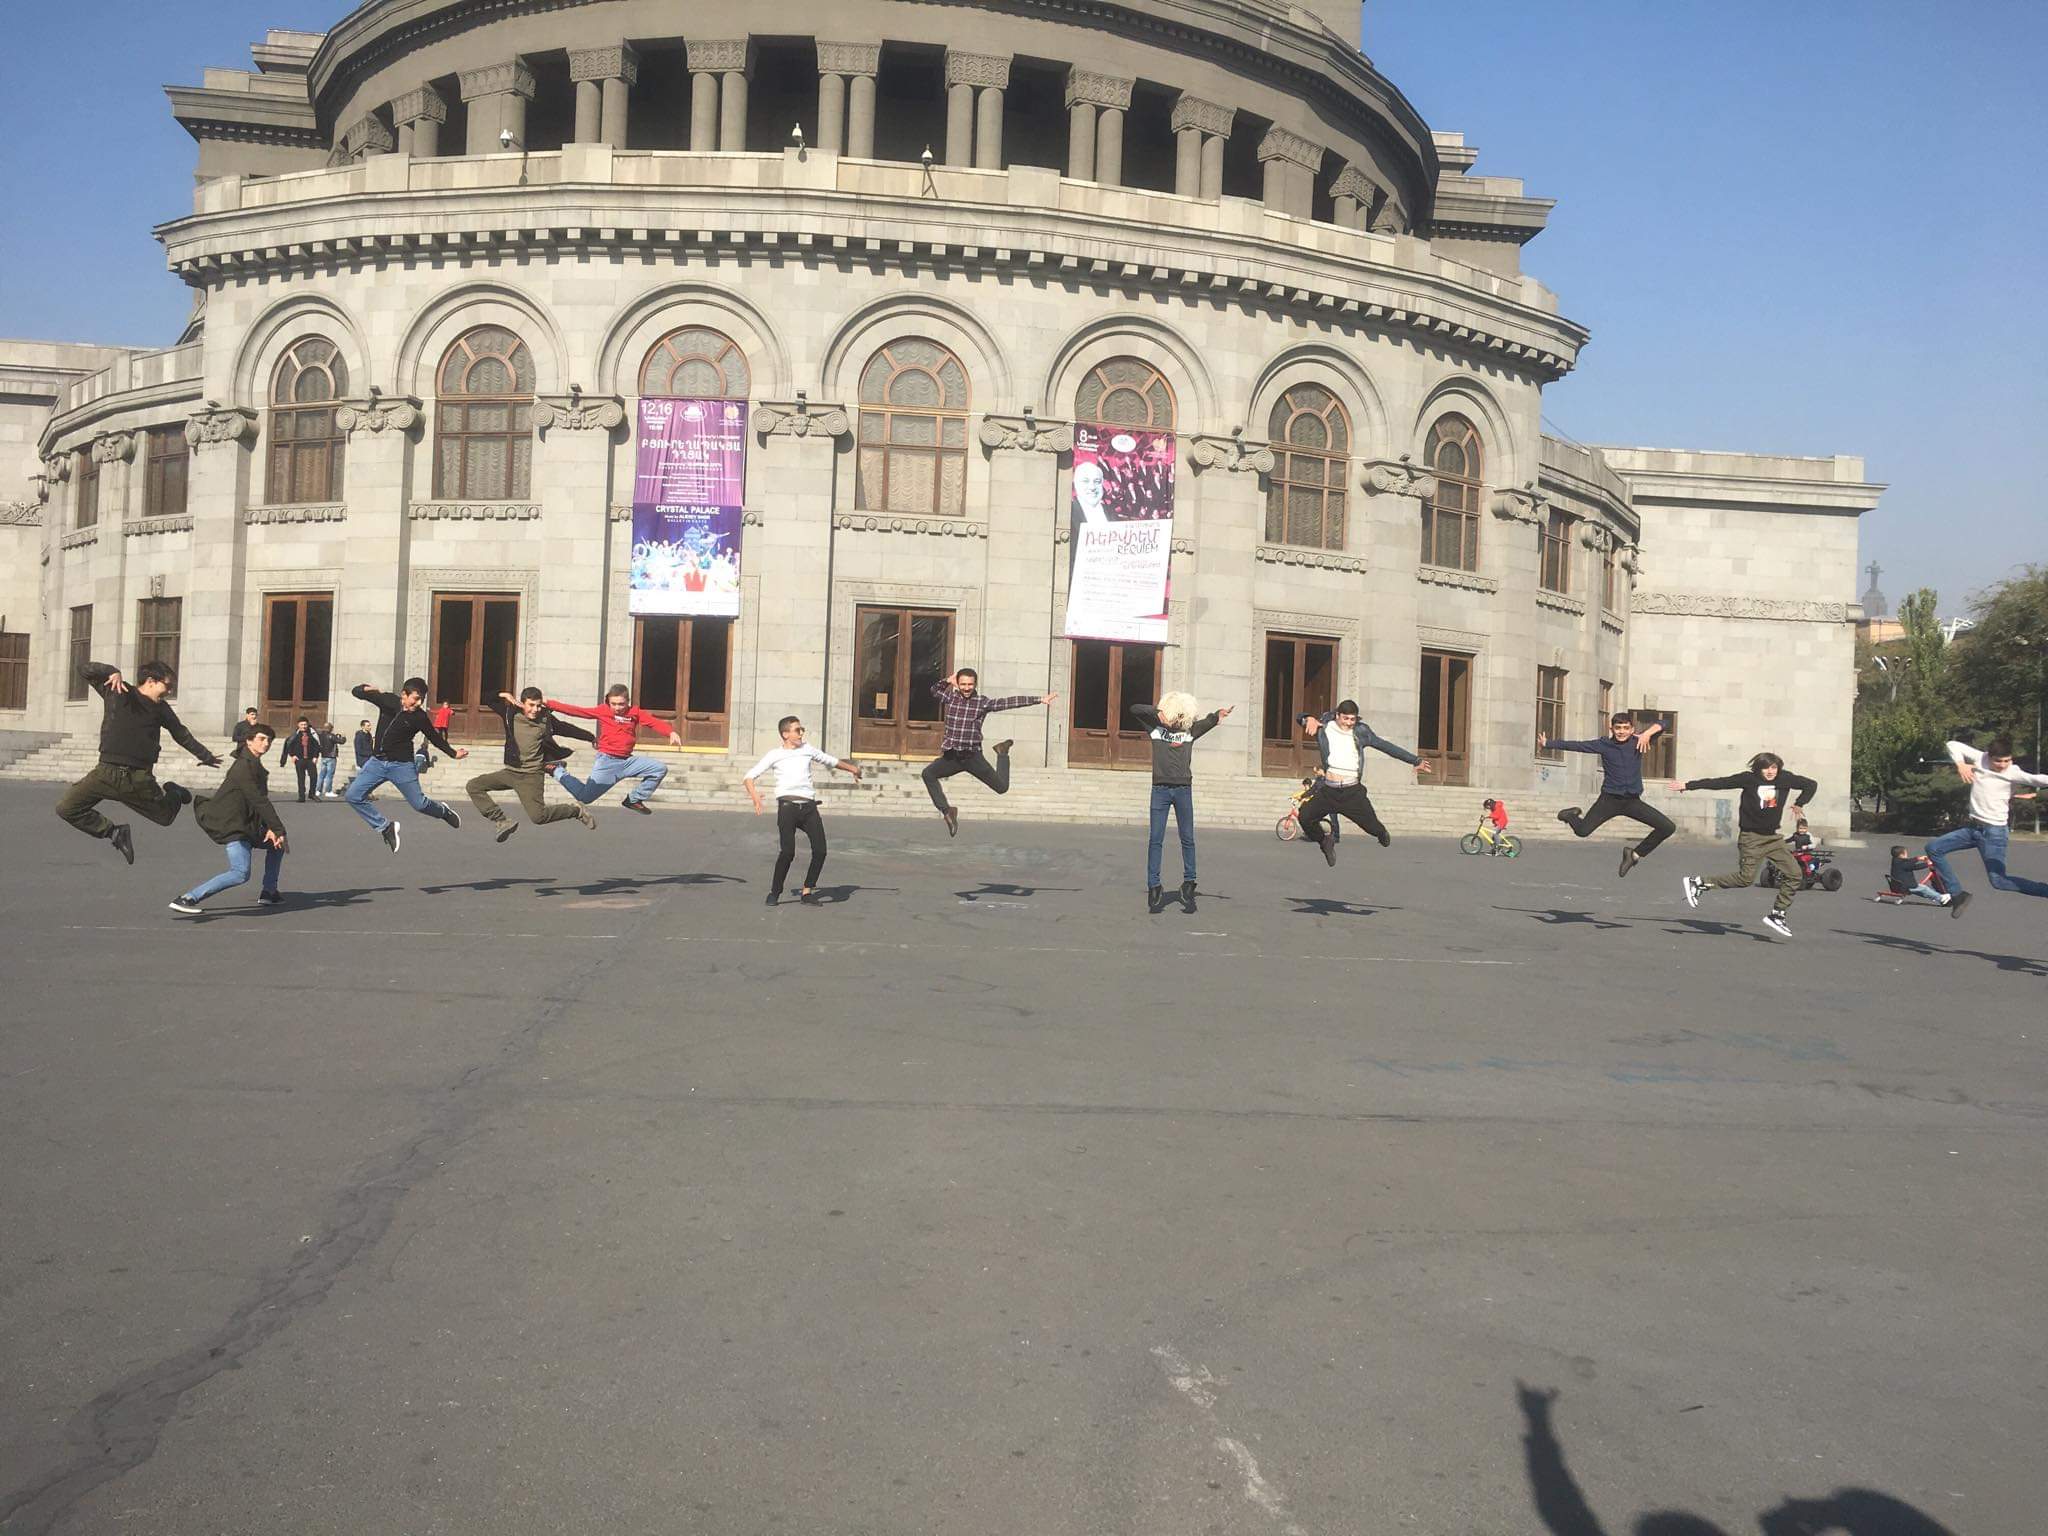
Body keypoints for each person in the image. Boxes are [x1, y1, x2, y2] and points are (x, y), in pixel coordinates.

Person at [55, 659, 221, 865]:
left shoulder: (162, 709)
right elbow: (82, 668)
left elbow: (181, 734)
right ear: (151, 681)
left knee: (165, 817)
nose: (169, 692)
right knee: (66, 808)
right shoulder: (118, 691)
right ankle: (115, 833)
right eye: (167, 686)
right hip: (105, 772)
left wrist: (205, 756)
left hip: (138, 778)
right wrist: (111, 671)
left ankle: (175, 793)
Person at [1677, 752, 1818, 938]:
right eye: (1766, 768)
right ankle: (1699, 883)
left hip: (1773, 838)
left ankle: (1777, 914)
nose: (1770, 772)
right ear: (1758, 768)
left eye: (1774, 768)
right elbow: (1719, 783)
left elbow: (1811, 785)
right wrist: (1688, 786)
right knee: (1745, 879)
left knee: (1795, 874)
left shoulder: (1785, 778)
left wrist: (1800, 803)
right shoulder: (1748, 779)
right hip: (1751, 838)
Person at [921, 668, 1057, 836]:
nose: (966, 688)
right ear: (958, 683)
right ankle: (948, 812)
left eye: (970, 684)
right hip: (952, 756)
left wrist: (1039, 699)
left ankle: (1002, 751)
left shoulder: (982, 702)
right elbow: (934, 690)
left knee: (1001, 787)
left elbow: (1009, 702)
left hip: (973, 757)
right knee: (928, 774)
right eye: (963, 684)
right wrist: (947, 681)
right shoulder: (951, 697)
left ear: (975, 684)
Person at [1127, 693, 1230, 913]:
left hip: (1183, 790)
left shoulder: (1189, 732)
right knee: (1156, 839)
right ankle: (1154, 885)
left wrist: (1218, 715)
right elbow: (1134, 708)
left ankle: (1189, 883)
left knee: (1188, 838)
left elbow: (1209, 722)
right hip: (1160, 790)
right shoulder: (1154, 729)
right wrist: (1159, 713)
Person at [170, 721, 287, 914]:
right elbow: (259, 801)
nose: (266, 743)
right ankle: (188, 898)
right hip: (231, 825)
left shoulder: (254, 765)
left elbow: (257, 803)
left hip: (246, 824)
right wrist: (278, 829)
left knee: (277, 845)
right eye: (261, 739)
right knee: (240, 873)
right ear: (249, 741)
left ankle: (269, 892)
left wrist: (270, 829)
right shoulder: (243, 767)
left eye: (269, 740)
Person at [744, 715, 863, 905]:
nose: (801, 733)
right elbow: (749, 777)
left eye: (801, 729)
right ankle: (775, 892)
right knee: (787, 852)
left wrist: (852, 769)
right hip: (788, 808)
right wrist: (755, 796)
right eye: (797, 730)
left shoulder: (807, 749)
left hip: (808, 808)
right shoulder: (774, 755)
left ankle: (807, 891)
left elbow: (830, 760)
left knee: (820, 850)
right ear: (785, 734)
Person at [1539, 713, 1676, 877]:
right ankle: (1569, 815)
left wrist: (1647, 733)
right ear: (1611, 729)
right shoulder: (1604, 745)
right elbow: (1577, 745)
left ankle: (1633, 855)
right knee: (1582, 831)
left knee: (1668, 827)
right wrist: (1548, 743)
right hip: (1609, 800)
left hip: (1632, 802)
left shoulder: (1639, 741)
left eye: (1626, 728)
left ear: (1632, 729)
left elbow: (1665, 722)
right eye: (1618, 728)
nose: (1622, 732)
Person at [1924, 736, 2048, 918]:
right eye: (1998, 761)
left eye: (2007, 760)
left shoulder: (2014, 772)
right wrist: (1960, 764)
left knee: (1998, 881)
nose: (2003, 765)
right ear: (1989, 756)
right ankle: (1958, 895)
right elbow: (1952, 745)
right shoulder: (1979, 758)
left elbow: (2038, 779)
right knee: (1933, 848)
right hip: (1973, 829)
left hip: (1994, 833)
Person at [1297, 699, 1431, 865]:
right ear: (1337, 715)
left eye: (1352, 719)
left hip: (1352, 793)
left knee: (1372, 827)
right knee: (1305, 817)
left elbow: (1386, 746)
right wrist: (1307, 717)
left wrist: (1415, 760)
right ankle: (1325, 842)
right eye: (1345, 719)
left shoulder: (1361, 732)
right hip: (1328, 791)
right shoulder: (1323, 726)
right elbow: (1299, 718)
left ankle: (1381, 833)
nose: (1348, 723)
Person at [343, 676, 469, 852]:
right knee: (353, 795)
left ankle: (443, 812)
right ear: (404, 695)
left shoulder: (420, 717)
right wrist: (365, 688)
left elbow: (434, 738)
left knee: (420, 804)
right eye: (416, 698)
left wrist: (453, 753)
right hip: (377, 763)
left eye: (422, 699)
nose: (418, 703)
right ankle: (385, 827)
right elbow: (356, 693)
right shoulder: (388, 701)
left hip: (402, 766)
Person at [467, 689, 599, 841]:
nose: (535, 710)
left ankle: (576, 810)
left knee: (538, 817)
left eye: (538, 705)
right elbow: (486, 698)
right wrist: (503, 695)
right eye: (531, 705)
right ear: (522, 703)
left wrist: (591, 737)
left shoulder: (545, 719)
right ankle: (501, 821)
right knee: (474, 786)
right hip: (510, 772)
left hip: (531, 776)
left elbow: (566, 728)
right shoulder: (510, 713)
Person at [545, 684, 684, 814]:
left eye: (621, 704)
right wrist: (550, 704)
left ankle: (634, 799)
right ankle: (557, 770)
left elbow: (653, 722)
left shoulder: (635, 712)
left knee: (659, 768)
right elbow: (578, 711)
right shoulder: (603, 711)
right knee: (585, 797)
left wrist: (670, 732)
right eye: (614, 704)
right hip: (607, 762)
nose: (617, 708)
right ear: (608, 702)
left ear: (628, 701)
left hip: (628, 761)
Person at [1886, 845, 1950, 907]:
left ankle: (1935, 897)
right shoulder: (1904, 864)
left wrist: (1918, 858)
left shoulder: (1895, 860)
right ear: (1902, 855)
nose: (1907, 854)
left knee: (1921, 890)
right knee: (1924, 888)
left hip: (1897, 885)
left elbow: (1908, 861)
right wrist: (1927, 864)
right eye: (1906, 853)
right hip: (1906, 886)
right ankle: (1941, 898)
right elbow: (1915, 867)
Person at [278, 716, 322, 802]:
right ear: (298, 725)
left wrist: (315, 756)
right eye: (302, 724)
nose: (304, 726)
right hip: (300, 759)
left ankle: (312, 794)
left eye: (305, 724)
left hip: (310, 759)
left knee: (314, 776)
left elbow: (316, 746)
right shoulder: (295, 735)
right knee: (301, 778)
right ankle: (301, 796)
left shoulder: (312, 734)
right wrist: (293, 755)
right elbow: (290, 746)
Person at [316, 723, 341, 799]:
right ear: (330, 728)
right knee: (329, 775)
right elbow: (341, 741)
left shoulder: (321, 735)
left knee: (321, 775)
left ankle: (318, 790)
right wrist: (343, 737)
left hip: (323, 756)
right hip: (331, 757)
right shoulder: (331, 736)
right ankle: (328, 791)